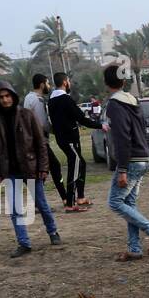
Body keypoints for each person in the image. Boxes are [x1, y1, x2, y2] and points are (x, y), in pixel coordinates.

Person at [0, 80, 62, 257]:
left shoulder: (27, 115)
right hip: (9, 171)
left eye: (7, 96)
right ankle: (24, 243)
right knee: (15, 209)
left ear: (13, 96)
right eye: (1, 97)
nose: (5, 100)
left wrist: (43, 167)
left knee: (41, 204)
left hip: (31, 168)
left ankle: (53, 232)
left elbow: (40, 143)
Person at [102, 63, 149, 261]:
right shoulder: (133, 100)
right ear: (123, 81)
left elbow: (122, 137)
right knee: (129, 203)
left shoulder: (115, 104)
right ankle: (134, 248)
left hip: (131, 161)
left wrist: (121, 169)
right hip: (142, 158)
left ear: (106, 83)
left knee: (115, 202)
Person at [48, 72, 101, 211]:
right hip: (69, 139)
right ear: (65, 82)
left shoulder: (52, 99)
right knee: (75, 165)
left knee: (80, 163)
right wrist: (101, 125)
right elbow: (81, 118)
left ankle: (80, 197)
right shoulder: (65, 99)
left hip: (63, 138)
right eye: (69, 81)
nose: (69, 83)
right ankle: (70, 204)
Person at [24, 73, 69, 202]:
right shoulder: (36, 100)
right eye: (48, 83)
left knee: (42, 171)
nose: (49, 86)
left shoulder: (30, 98)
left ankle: (39, 201)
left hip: (36, 141)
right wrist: (58, 131)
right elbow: (42, 123)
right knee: (54, 166)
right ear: (42, 84)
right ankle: (65, 198)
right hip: (38, 141)